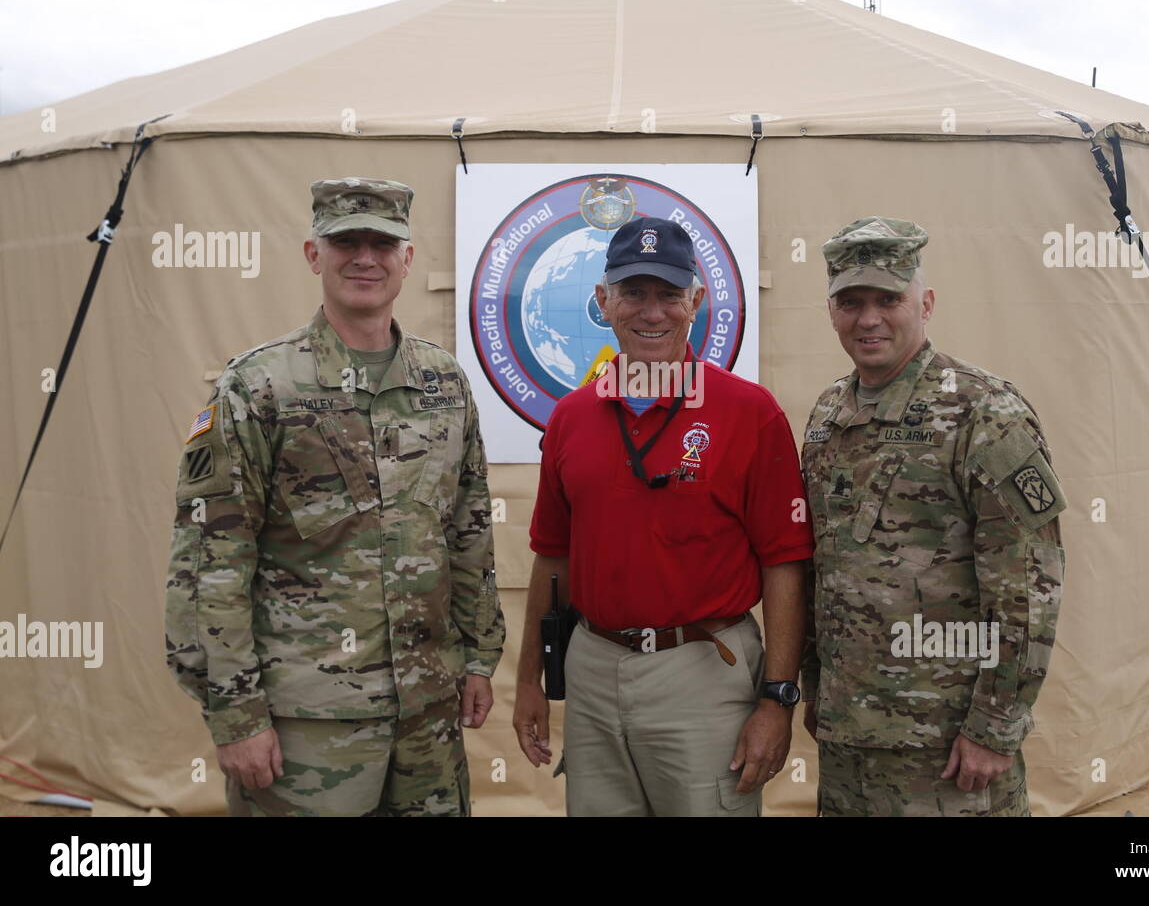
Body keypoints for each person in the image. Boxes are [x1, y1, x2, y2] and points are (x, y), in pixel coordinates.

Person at [163, 176, 503, 816]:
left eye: (383, 242)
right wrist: (235, 712)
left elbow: (469, 531)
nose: (365, 258)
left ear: (408, 259)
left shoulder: (443, 384)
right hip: (307, 725)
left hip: (427, 714)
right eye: (346, 241)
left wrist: (480, 656)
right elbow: (211, 559)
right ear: (313, 254)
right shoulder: (258, 387)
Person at [512, 216, 813, 816]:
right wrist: (527, 682)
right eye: (634, 293)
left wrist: (777, 700)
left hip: (704, 670)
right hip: (594, 670)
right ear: (604, 301)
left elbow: (785, 563)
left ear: (696, 301)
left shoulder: (749, 412)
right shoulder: (571, 417)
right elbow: (553, 557)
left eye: (669, 295)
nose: (652, 313)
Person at [800, 216, 1066, 817]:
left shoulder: (985, 412)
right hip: (849, 734)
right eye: (851, 302)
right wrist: (817, 690)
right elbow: (824, 564)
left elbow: (1029, 585)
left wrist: (995, 725)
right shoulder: (827, 414)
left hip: (945, 744)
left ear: (926, 302)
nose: (869, 319)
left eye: (888, 299)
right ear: (832, 311)